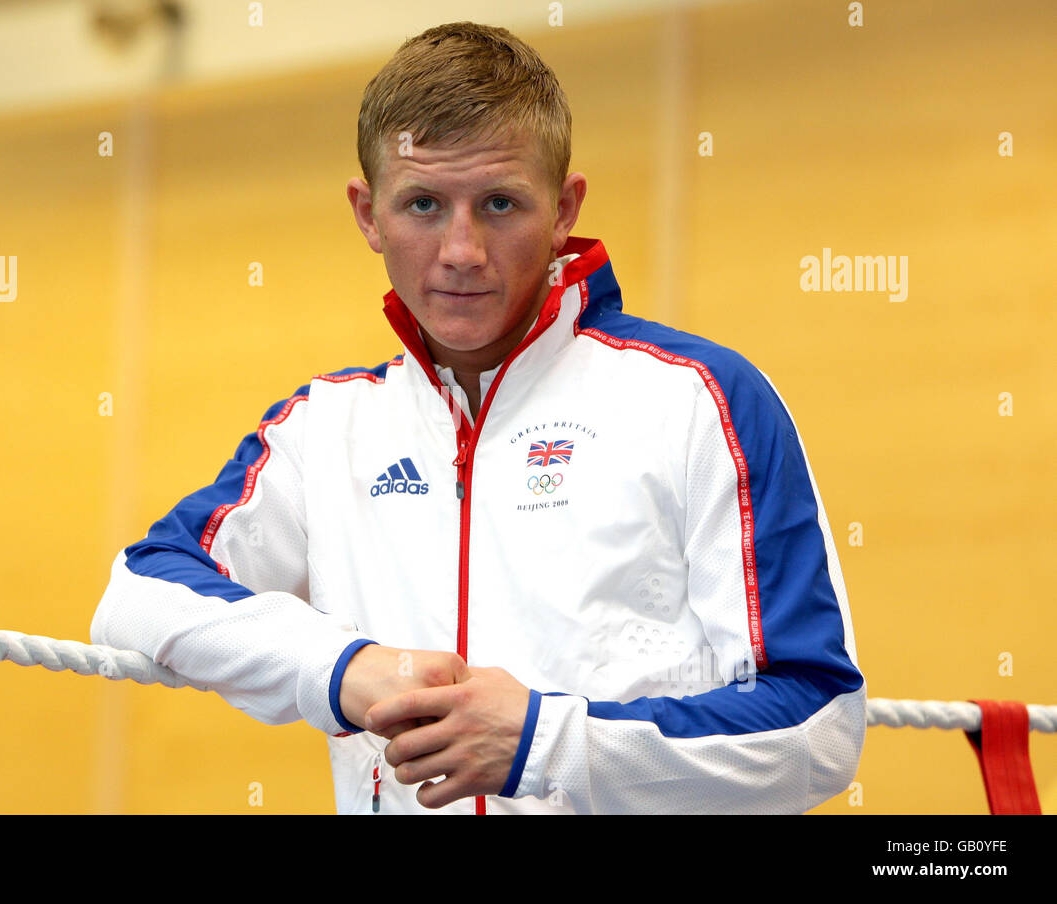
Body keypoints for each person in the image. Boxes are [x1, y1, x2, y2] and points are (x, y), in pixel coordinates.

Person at [89, 21, 865, 814]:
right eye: (423, 204)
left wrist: (544, 742)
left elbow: (821, 727)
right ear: (367, 215)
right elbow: (137, 594)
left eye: (499, 204)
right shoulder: (325, 430)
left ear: (564, 208)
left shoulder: (700, 399)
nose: (461, 251)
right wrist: (346, 669)